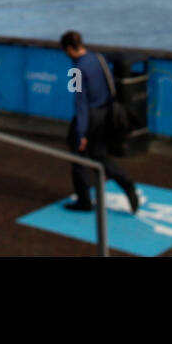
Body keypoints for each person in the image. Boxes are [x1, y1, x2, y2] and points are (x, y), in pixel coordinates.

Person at [60, 31, 138, 213]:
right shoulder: (98, 58)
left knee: (79, 157)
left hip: (90, 117)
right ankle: (127, 183)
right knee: (100, 156)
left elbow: (81, 103)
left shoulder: (77, 71)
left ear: (70, 49)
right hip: (105, 114)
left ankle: (84, 201)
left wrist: (81, 133)